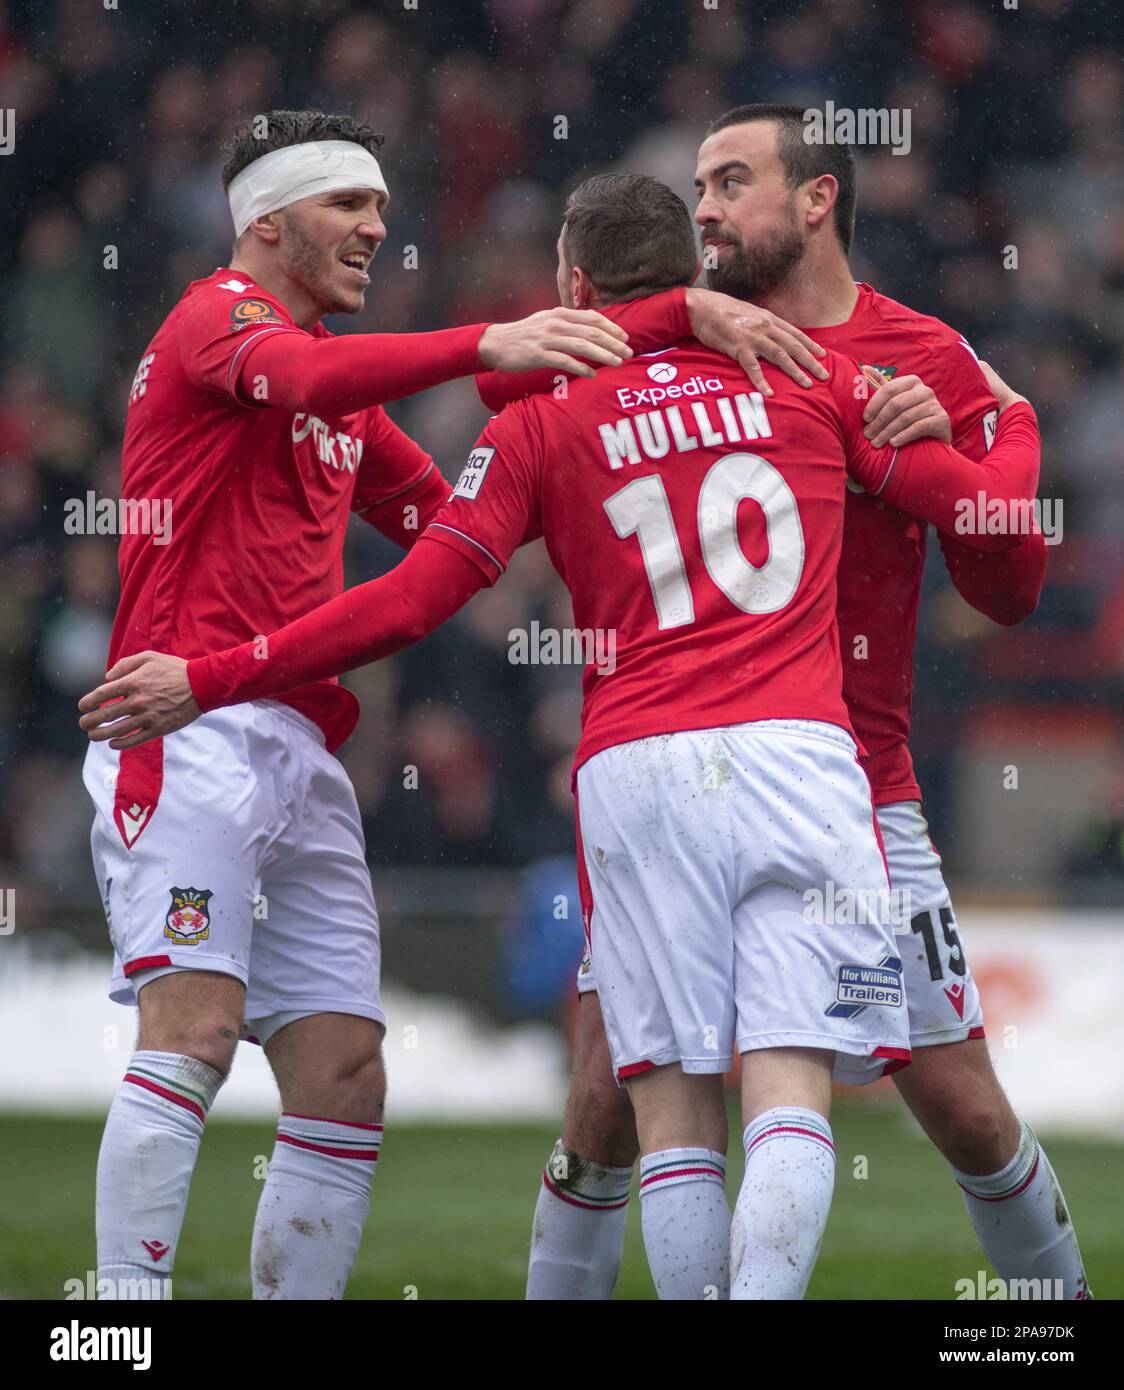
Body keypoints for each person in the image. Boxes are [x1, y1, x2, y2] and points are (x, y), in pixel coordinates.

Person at [79, 171, 1041, 1299]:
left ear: (572, 285)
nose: (378, 226)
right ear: (691, 273)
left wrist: (215, 671)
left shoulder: (540, 422)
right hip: (802, 757)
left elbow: (414, 593)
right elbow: (989, 520)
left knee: (666, 1101)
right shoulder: (808, 373)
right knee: (788, 1085)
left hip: (633, 774)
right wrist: (1008, 419)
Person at [473, 103, 1088, 1303]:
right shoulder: (672, 342)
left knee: (958, 1103)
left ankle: (1051, 1315)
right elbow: (537, 405)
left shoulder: (924, 357)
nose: (701, 208)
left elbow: (1009, 580)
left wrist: (993, 443)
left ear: (815, 199)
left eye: (730, 181)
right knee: (605, 1093)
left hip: (861, 783)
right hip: (678, 765)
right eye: (696, 186)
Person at [77, 104, 658, 1302]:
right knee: (189, 1039)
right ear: (269, 221)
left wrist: (614, 465)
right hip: (185, 728)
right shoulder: (215, 323)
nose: (376, 229)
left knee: (344, 1071)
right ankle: (120, 1325)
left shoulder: (341, 407)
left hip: (299, 742)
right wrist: (492, 341)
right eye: (349, 204)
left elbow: (449, 523)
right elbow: (308, 371)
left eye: (383, 207)